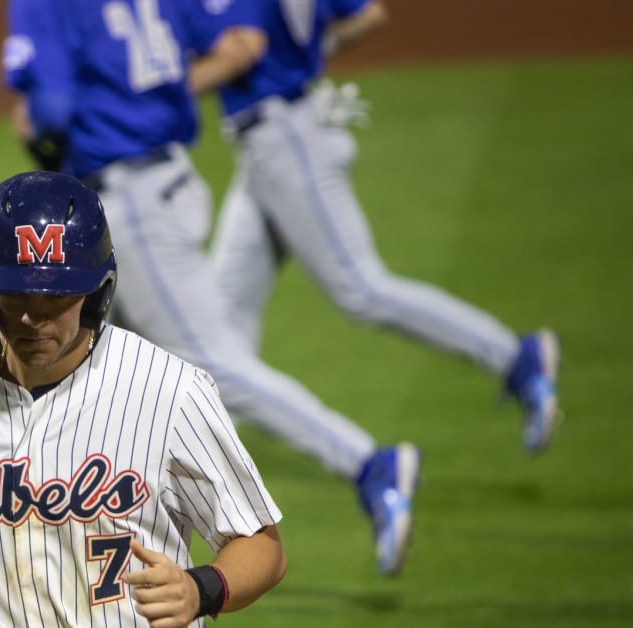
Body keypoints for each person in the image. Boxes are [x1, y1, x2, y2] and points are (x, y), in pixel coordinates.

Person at [2, 0, 422, 576]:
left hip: (129, 200)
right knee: (95, 381)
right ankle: (78, 552)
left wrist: (38, 125)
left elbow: (49, 110)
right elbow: (240, 43)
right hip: (167, 178)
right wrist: (153, 98)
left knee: (208, 366)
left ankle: (370, 465)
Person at [207, 0, 561, 561]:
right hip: (279, 134)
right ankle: (202, 487)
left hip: (285, 138)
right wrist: (306, 54)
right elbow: (368, 14)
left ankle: (514, 358)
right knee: (219, 329)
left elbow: (242, 47)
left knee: (360, 288)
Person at [0, 171, 286, 627]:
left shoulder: (170, 392)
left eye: (56, 296)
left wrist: (200, 589)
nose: (33, 316)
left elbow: (263, 546)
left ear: (95, 293)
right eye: (16, 292)